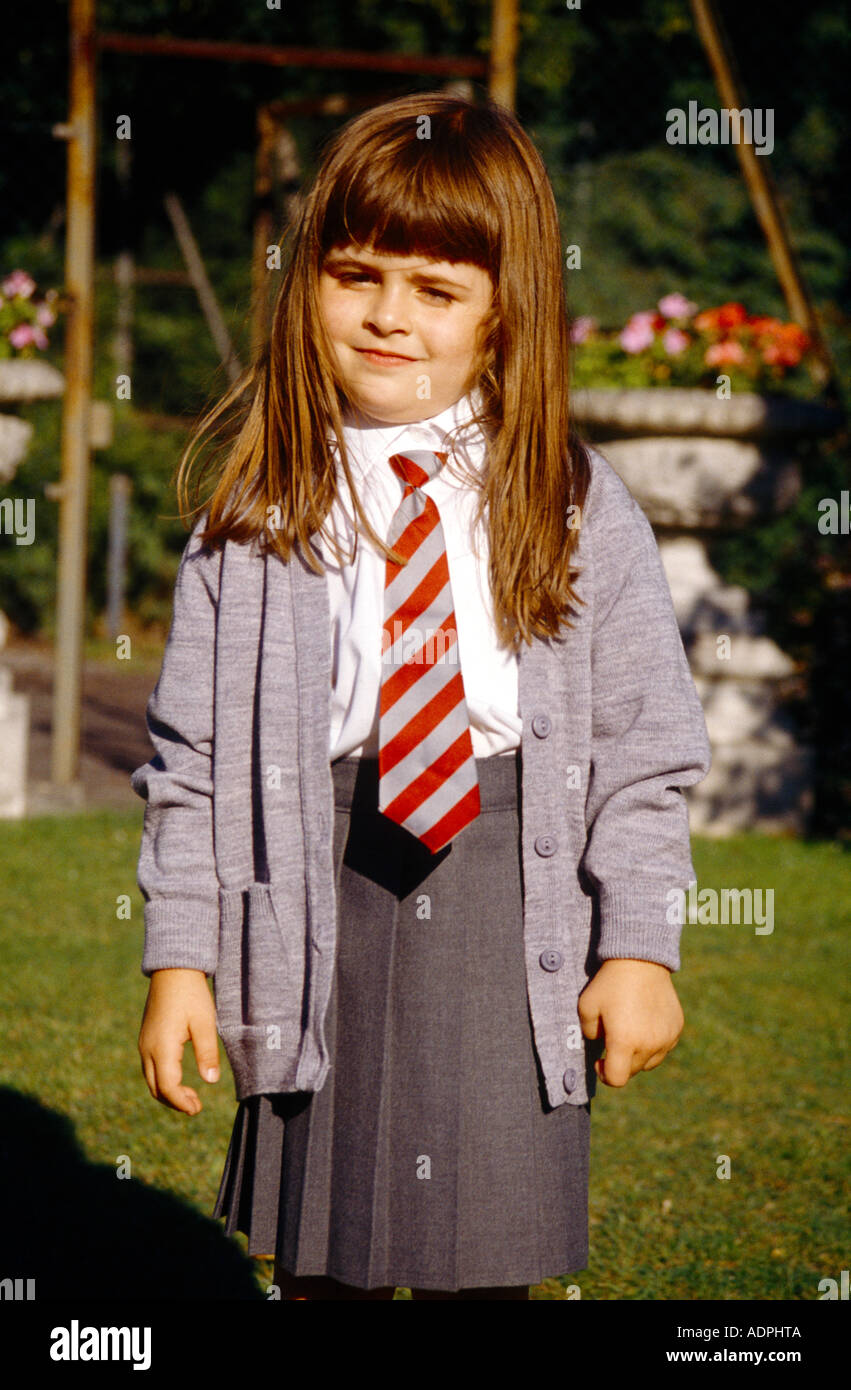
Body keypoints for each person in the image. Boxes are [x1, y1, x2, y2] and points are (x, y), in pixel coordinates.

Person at [131, 91, 712, 1302]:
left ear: (505, 319)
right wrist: (180, 959)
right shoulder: (252, 515)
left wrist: (639, 946)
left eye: (436, 291)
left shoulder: (568, 500)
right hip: (315, 896)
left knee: (487, 1256)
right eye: (357, 276)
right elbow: (187, 762)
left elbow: (644, 748)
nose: (390, 316)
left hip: (511, 897)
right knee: (324, 1258)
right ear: (310, 286)